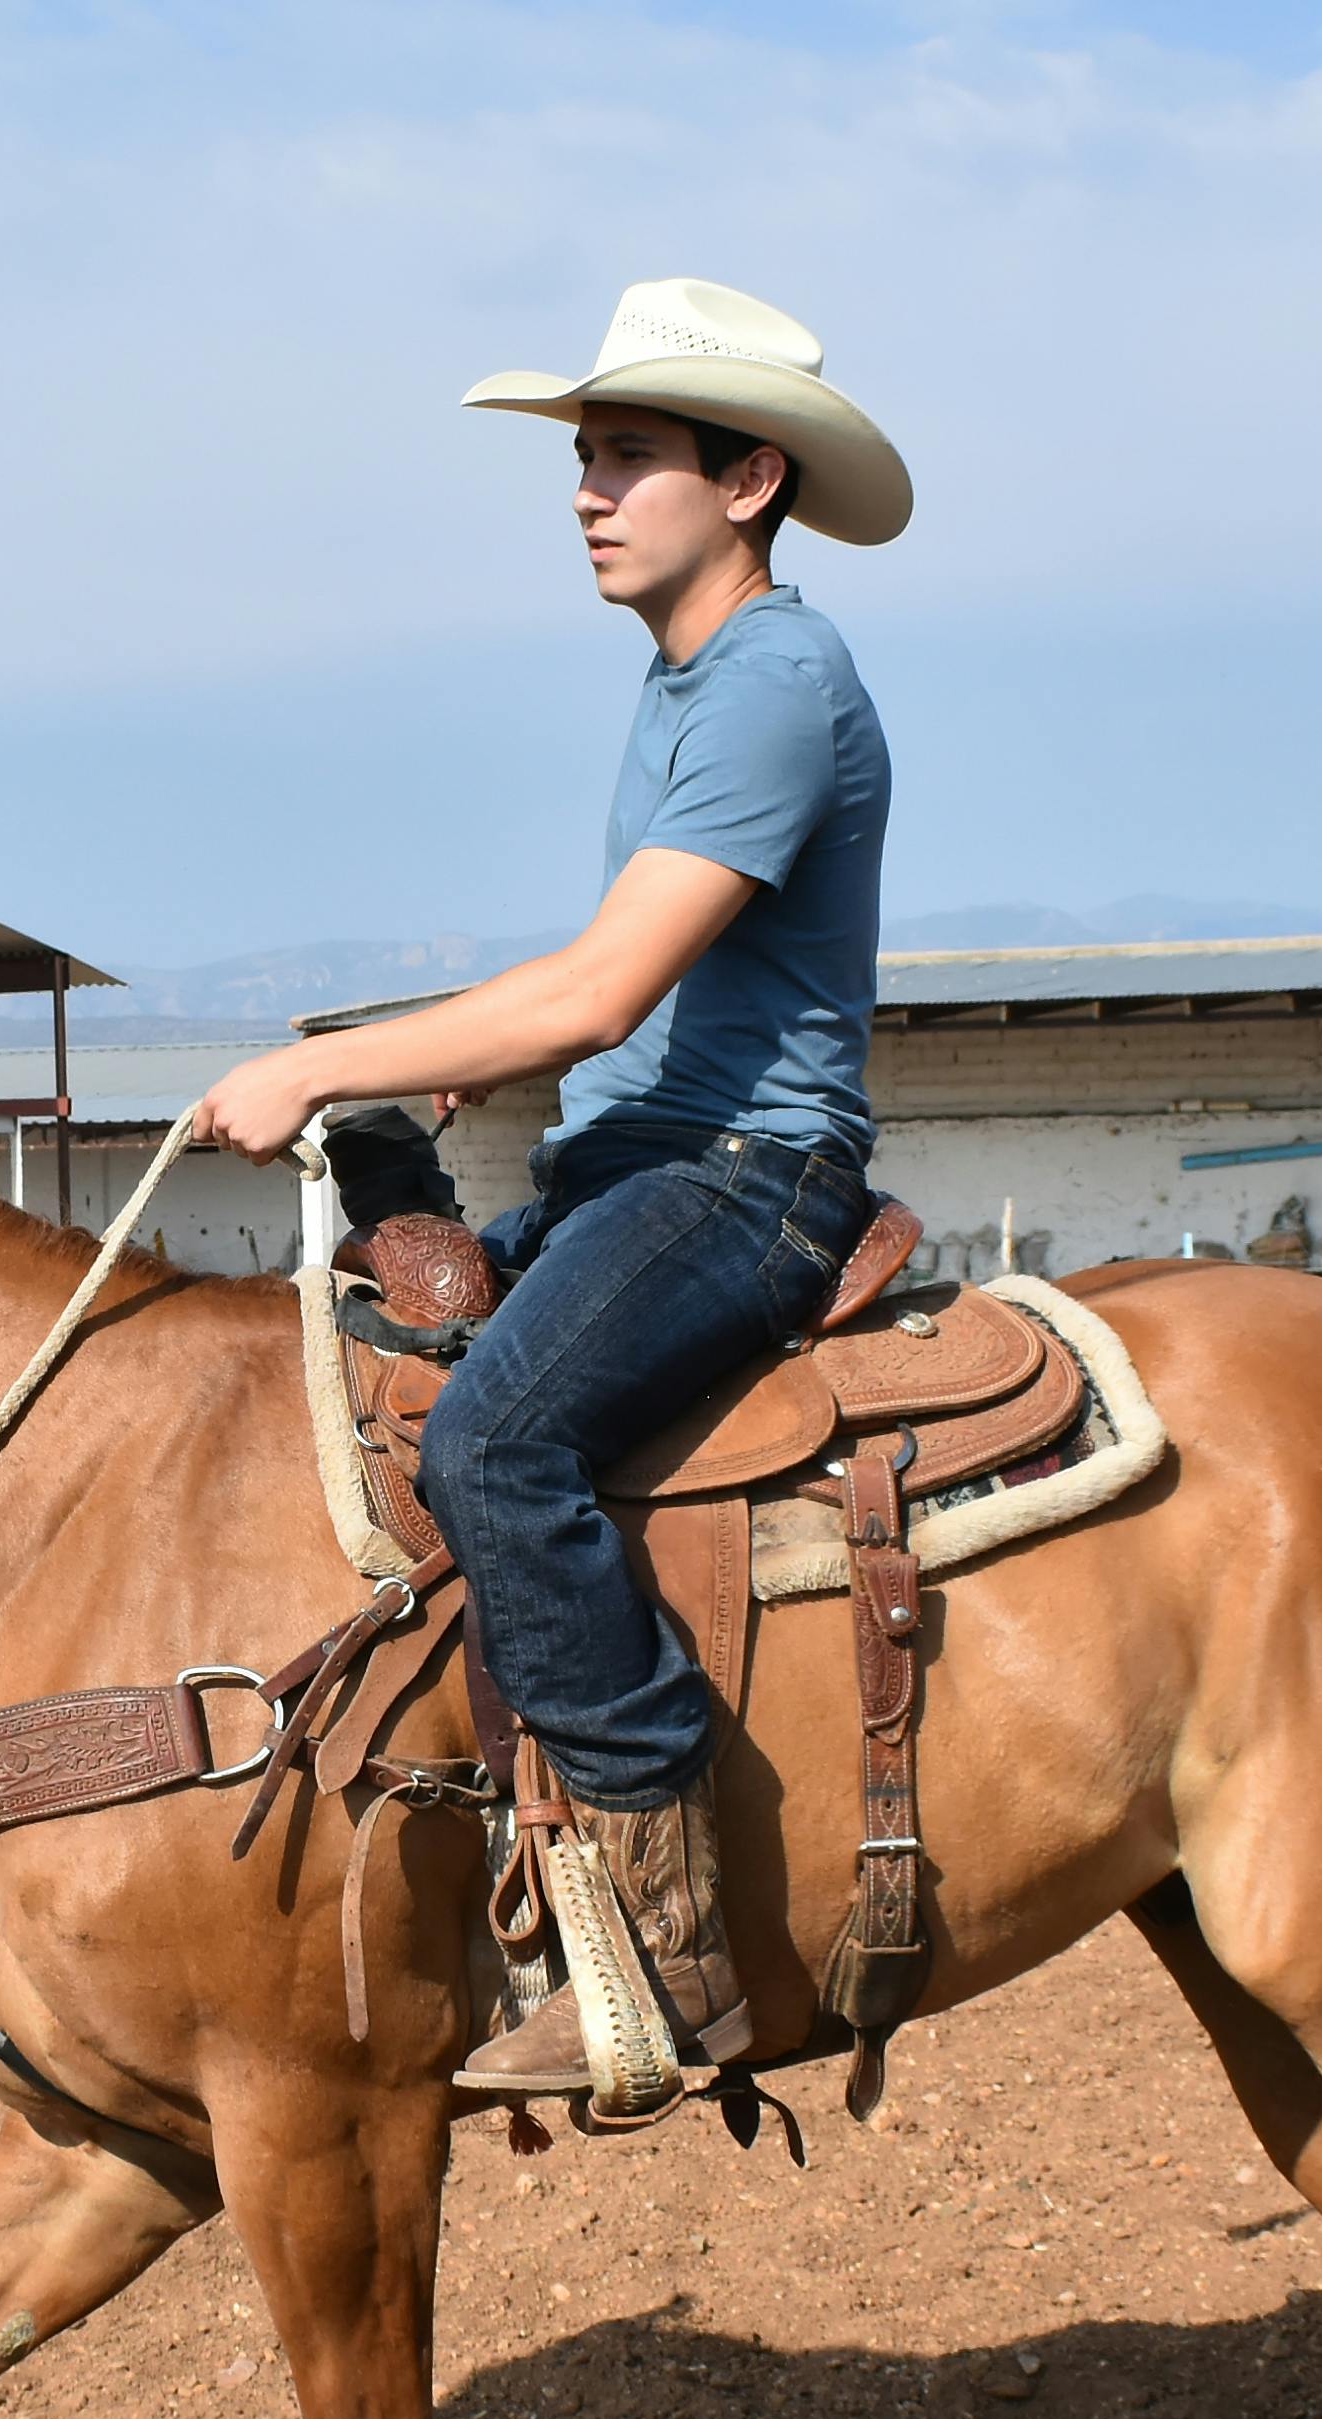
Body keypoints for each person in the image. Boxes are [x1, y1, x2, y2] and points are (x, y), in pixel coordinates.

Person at [191, 277, 908, 2116]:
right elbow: (617, 976)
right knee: (386, 1365)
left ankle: (669, 1945)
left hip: (746, 1177)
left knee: (493, 1443)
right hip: (647, 1155)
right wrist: (475, 1051)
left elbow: (601, 994)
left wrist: (319, 1065)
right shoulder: (688, 679)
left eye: (629, 458)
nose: (587, 493)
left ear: (748, 479)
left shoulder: (775, 682)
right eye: (582, 460)